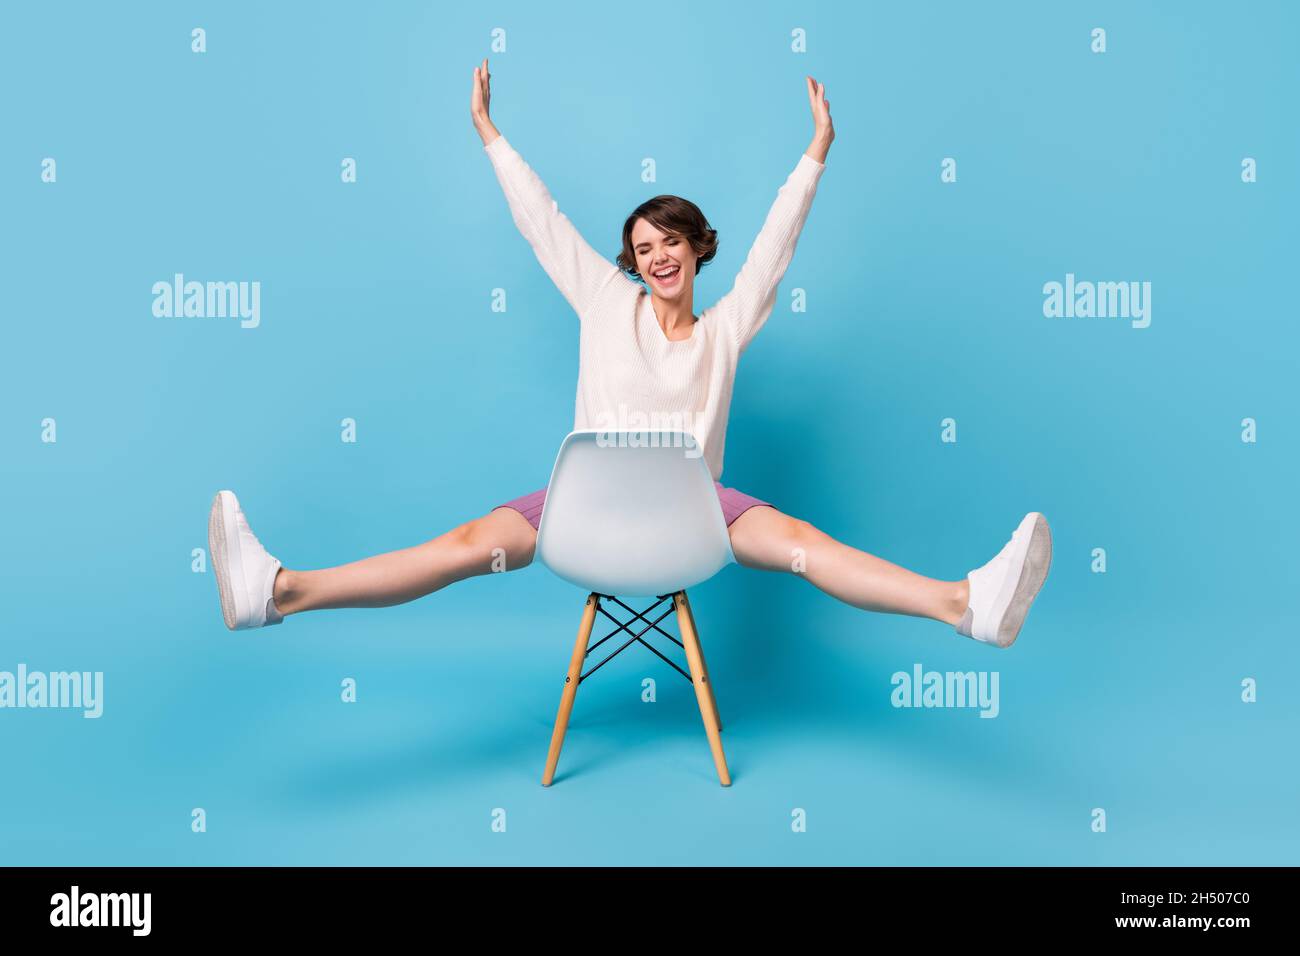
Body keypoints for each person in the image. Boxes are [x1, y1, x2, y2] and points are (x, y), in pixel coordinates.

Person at [207, 58, 1051, 650]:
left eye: (671, 240)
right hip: (583, 517)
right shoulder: (603, 302)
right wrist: (488, 132)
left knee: (800, 539)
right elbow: (541, 221)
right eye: (642, 245)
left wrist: (816, 150)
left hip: (694, 519)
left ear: (696, 249)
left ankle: (966, 605)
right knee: (466, 542)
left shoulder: (724, 329)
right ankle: (274, 592)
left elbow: (775, 248)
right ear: (630, 261)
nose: (656, 254)